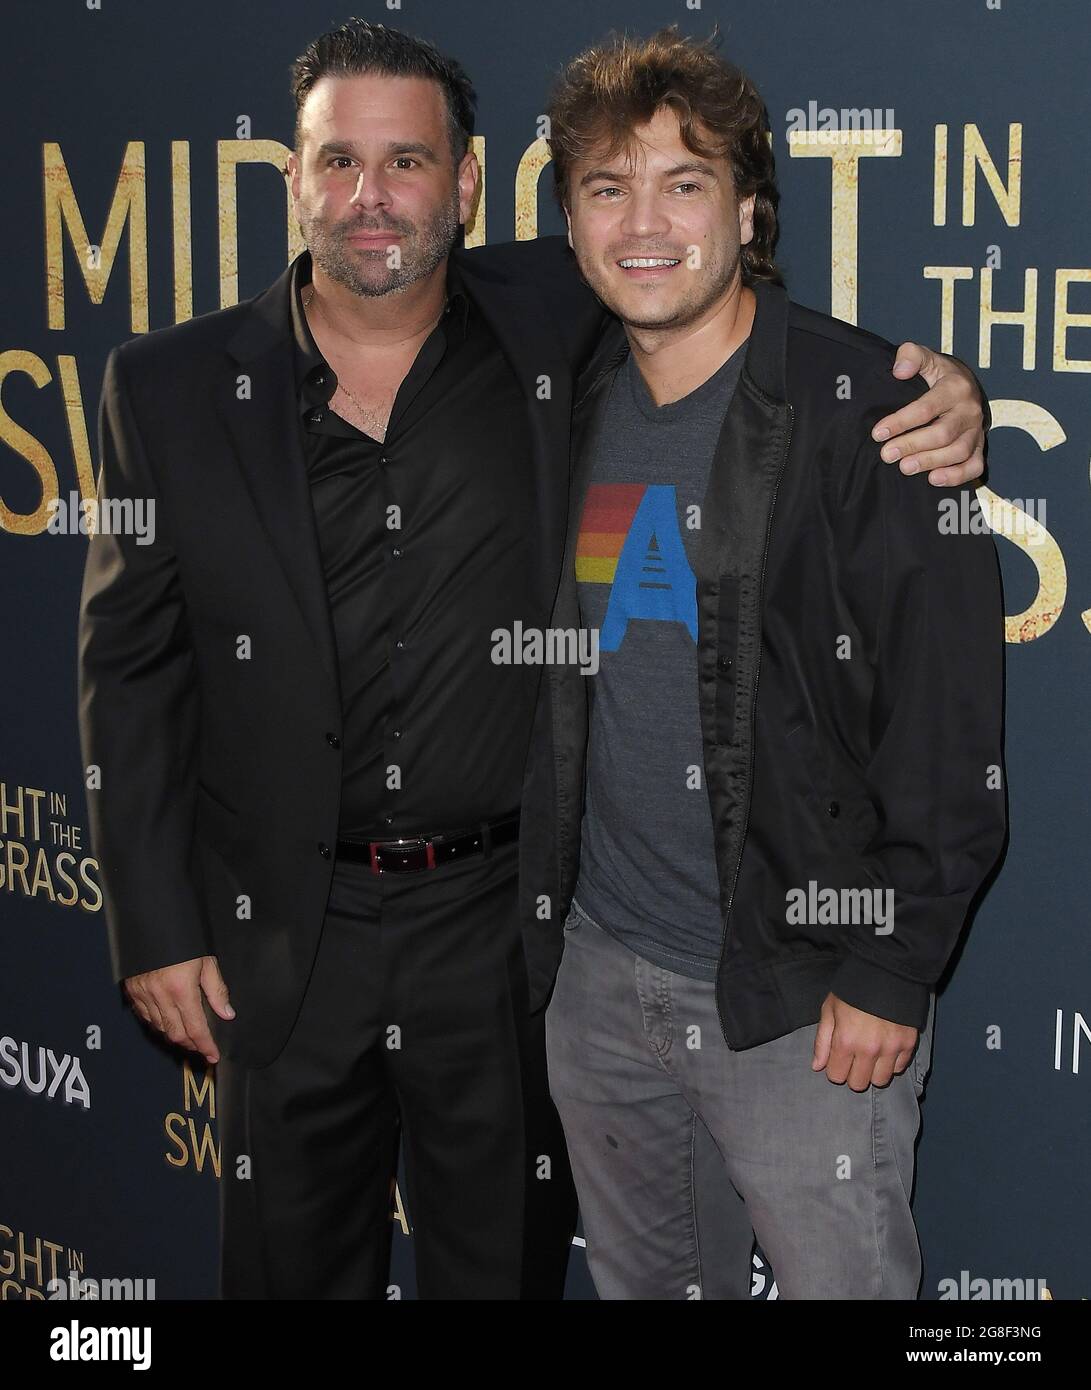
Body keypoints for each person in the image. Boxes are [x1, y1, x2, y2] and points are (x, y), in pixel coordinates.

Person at [78, 19, 991, 1301]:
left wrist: (946, 388)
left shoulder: (561, 330)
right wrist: (154, 920)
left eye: (407, 163)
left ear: (462, 186)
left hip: (512, 938)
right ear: (290, 177)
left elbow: (941, 711)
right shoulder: (169, 388)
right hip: (291, 939)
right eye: (337, 161)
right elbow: (130, 677)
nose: (371, 196)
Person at [531, 28, 1007, 1299]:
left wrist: (887, 965)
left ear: (747, 211)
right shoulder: (558, 390)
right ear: (568, 223)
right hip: (596, 981)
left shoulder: (872, 415)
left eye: (683, 183)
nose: (642, 222)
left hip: (801, 1004)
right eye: (604, 187)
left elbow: (949, 728)